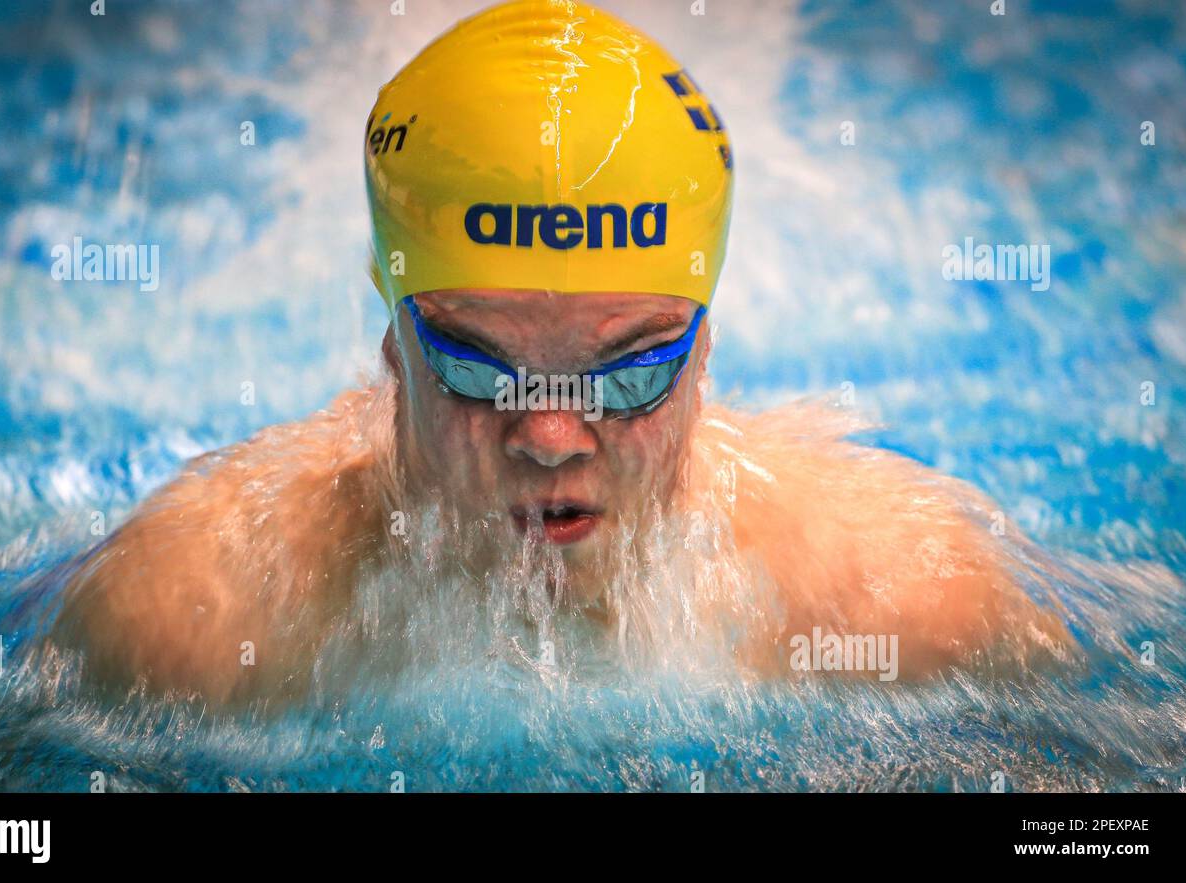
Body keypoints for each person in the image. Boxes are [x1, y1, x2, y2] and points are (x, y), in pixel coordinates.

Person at [56, 0, 1070, 703]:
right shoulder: (188, 621)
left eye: (629, 372)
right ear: (390, 352)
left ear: (704, 354)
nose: (547, 434)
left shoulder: (903, 603)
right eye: (472, 365)